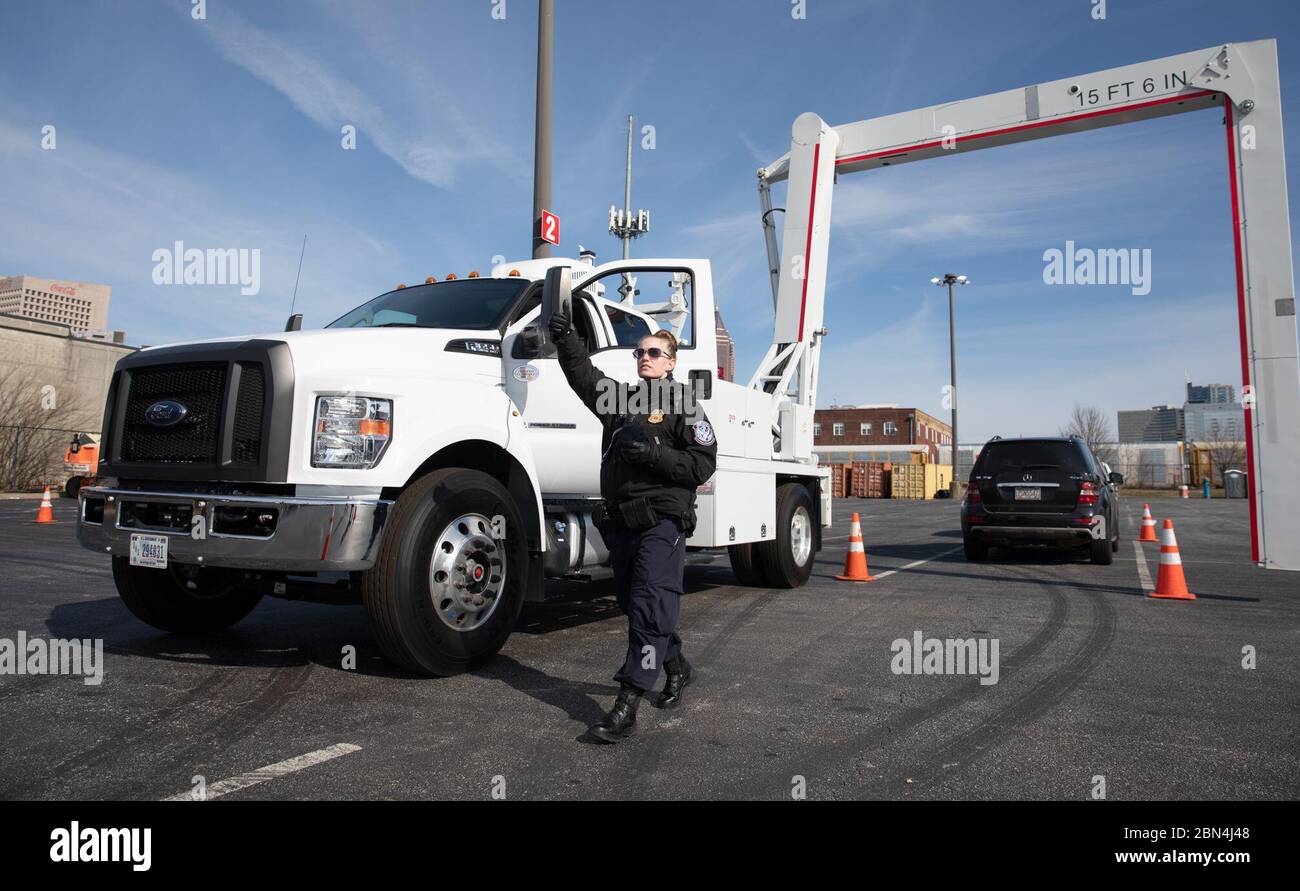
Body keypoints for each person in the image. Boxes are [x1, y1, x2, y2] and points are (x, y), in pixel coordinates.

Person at [548, 307, 717, 743]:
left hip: (663, 522)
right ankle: (676, 665)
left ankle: (627, 703)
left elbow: (703, 464)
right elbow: (584, 377)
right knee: (632, 601)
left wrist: (653, 455)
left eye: (655, 352)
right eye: (640, 352)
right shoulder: (620, 402)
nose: (645, 357)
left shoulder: (685, 405)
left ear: (671, 362)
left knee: (648, 604)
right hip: (622, 523)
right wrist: (567, 338)